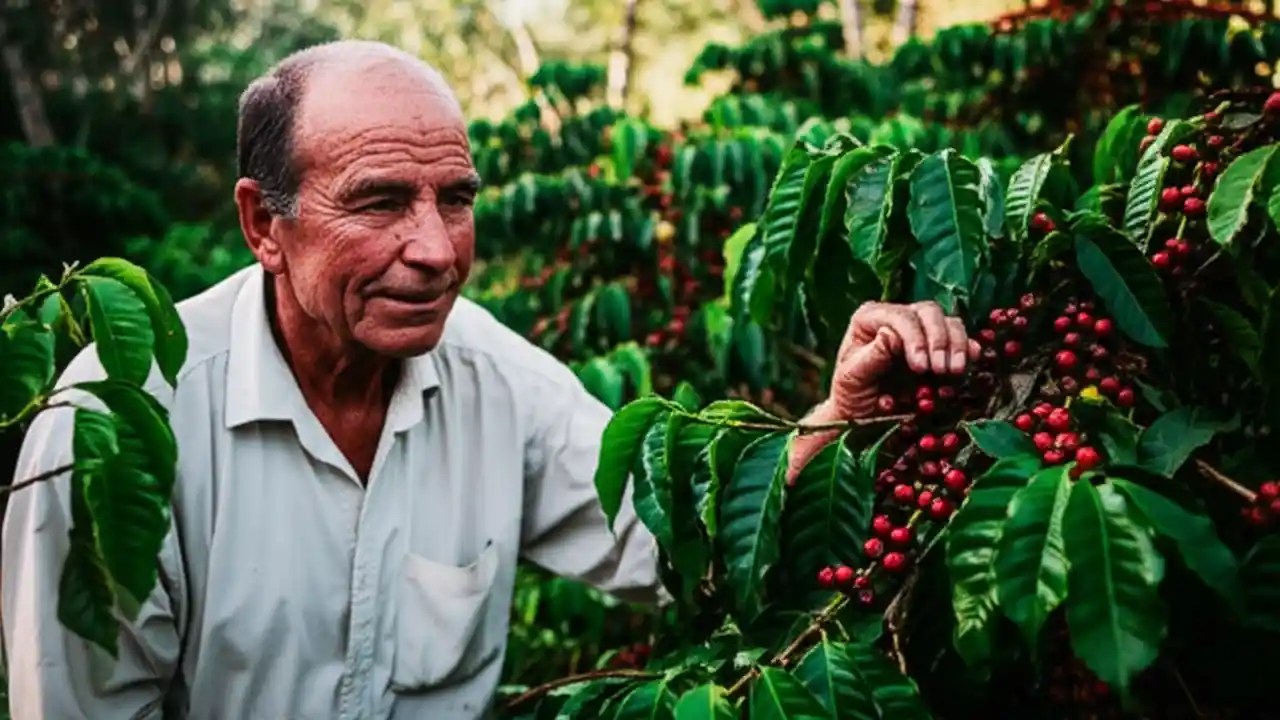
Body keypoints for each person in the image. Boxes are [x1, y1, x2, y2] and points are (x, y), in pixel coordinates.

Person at [0, 40, 979, 719]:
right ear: (264, 225)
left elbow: (674, 547)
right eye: (380, 202)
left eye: (455, 199)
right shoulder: (124, 421)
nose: (433, 250)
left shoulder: (491, 374)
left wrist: (840, 414)